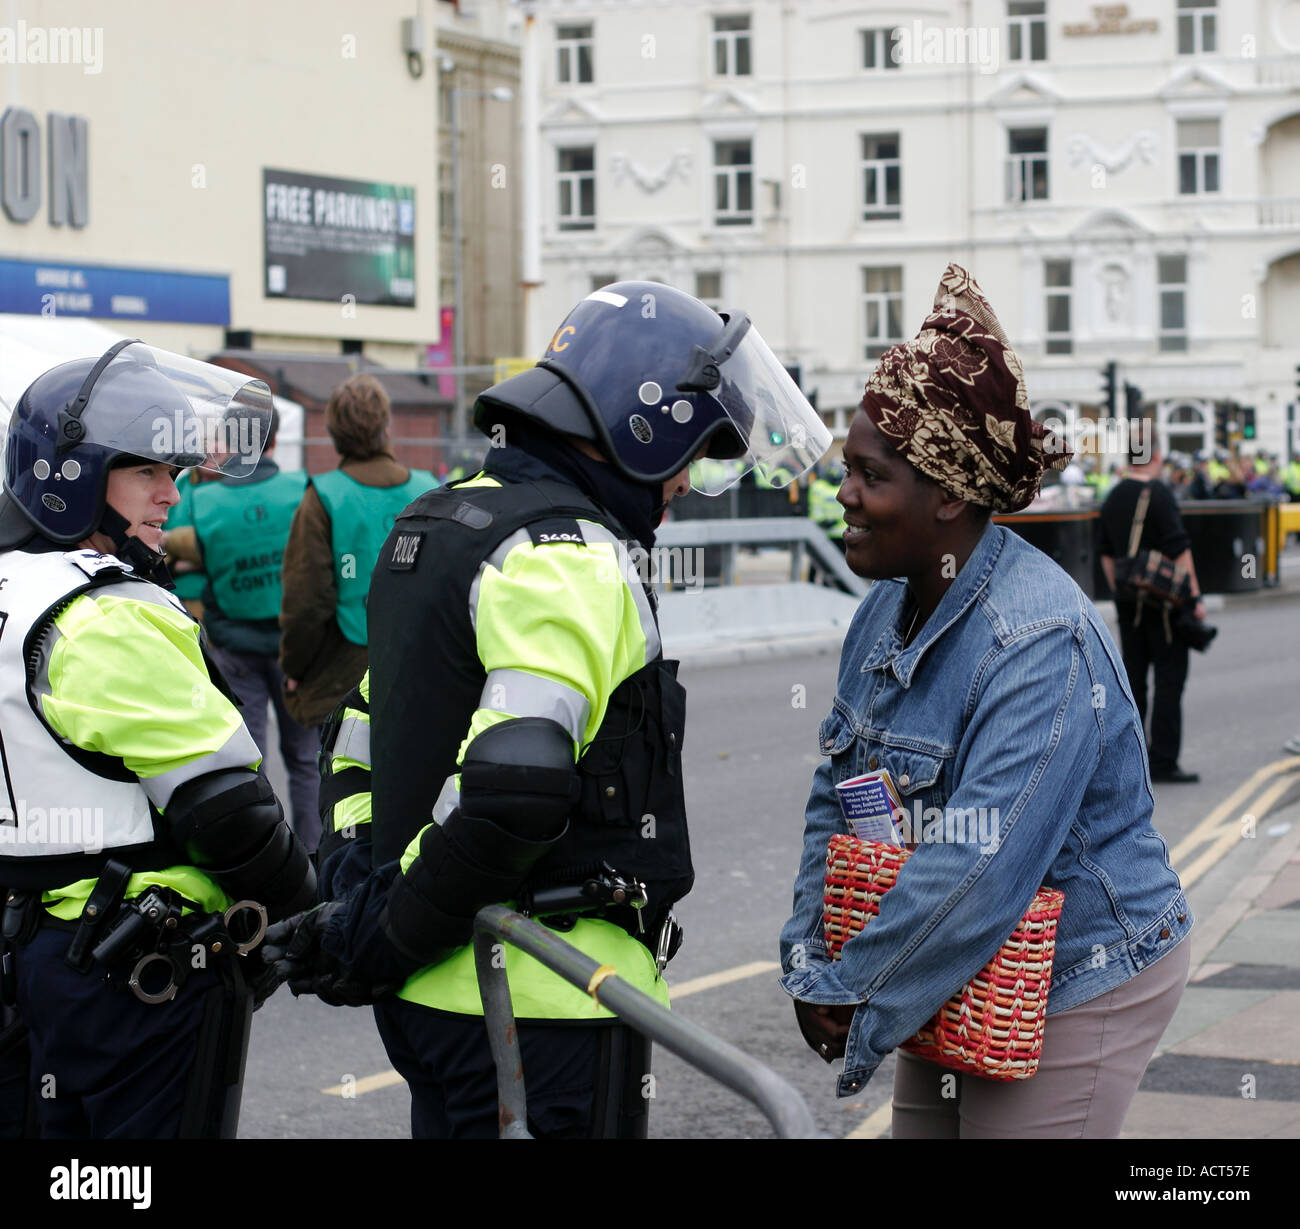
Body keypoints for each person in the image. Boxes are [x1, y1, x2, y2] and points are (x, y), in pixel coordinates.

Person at [267, 281, 830, 1138]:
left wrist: (361, 896)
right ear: (639, 428)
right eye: (691, 454)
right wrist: (378, 930)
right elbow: (512, 790)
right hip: (548, 1000)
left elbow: (360, 737)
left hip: (434, 1002)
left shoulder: (442, 520)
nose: (683, 483)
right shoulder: (572, 559)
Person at [779, 265, 1192, 1139]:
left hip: (1080, 970)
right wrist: (812, 954)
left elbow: (979, 865)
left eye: (868, 475)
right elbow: (835, 798)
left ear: (950, 492)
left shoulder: (1039, 640)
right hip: (962, 964)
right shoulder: (882, 610)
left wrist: (854, 986)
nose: (843, 496)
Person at [0, 342, 315, 1139]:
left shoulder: (16, 590)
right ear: (75, 476)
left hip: (34, 948)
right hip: (134, 971)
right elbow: (230, 812)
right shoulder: (106, 614)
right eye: (147, 472)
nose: (171, 494)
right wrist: (310, 921)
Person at [165, 407, 321, 850]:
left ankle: (265, 853)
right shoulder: (300, 490)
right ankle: (313, 854)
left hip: (233, 646)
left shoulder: (207, 502)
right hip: (296, 647)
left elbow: (189, 551)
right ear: (273, 441)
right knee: (306, 759)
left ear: (233, 445)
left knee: (248, 760)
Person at [278, 373, 438, 729]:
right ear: (386, 424)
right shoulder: (432, 491)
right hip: (421, 669)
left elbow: (306, 600)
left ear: (333, 433)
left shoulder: (322, 497)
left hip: (343, 677)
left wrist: (294, 667)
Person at [1099, 439, 1206, 783]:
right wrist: (1194, 598)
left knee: (1133, 683)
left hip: (1129, 604)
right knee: (1169, 680)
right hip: (1164, 607)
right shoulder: (1159, 494)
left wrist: (1120, 590)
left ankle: (1132, 761)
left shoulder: (1113, 496)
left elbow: (1104, 553)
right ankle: (1163, 761)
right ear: (1156, 457)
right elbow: (1179, 549)